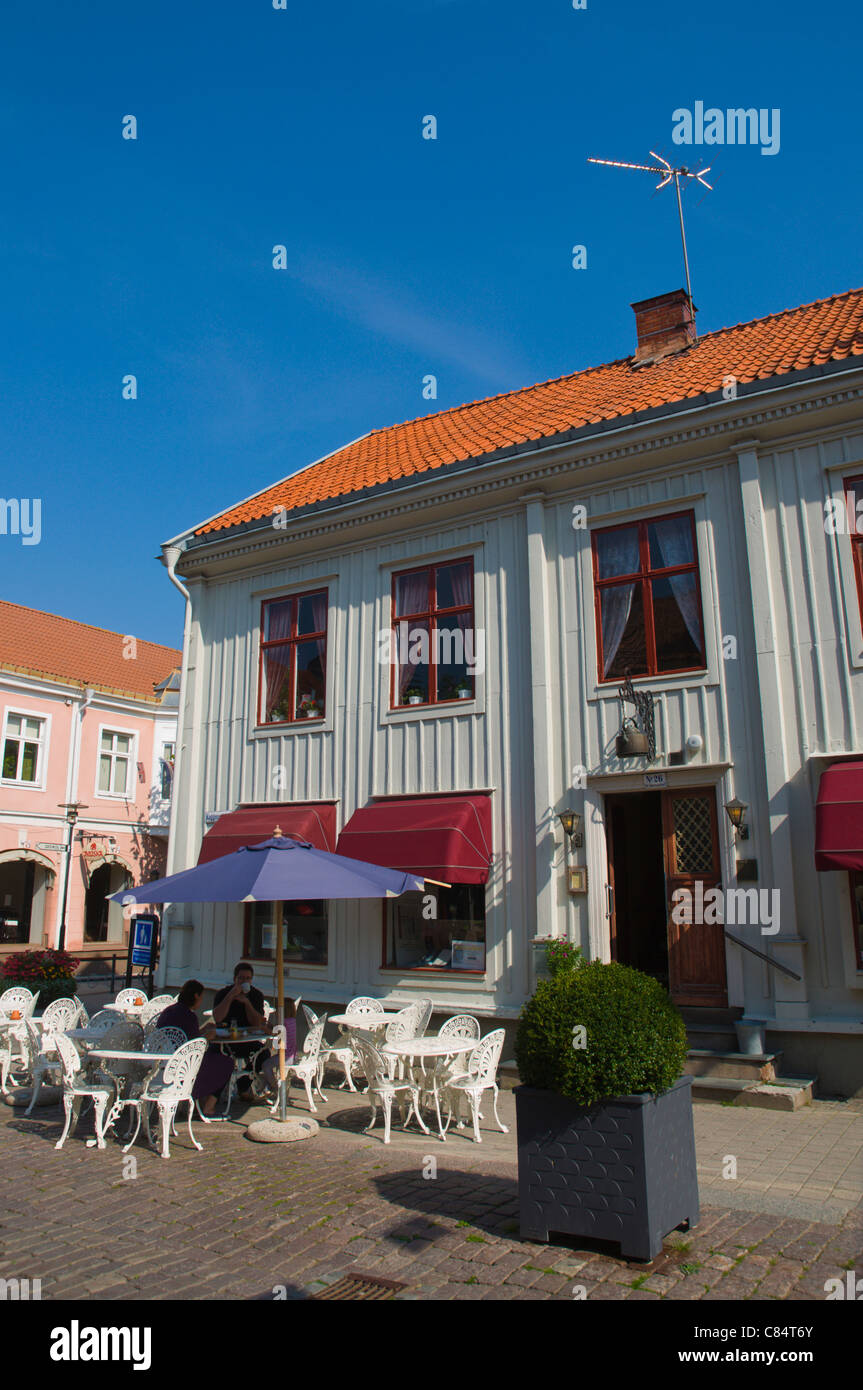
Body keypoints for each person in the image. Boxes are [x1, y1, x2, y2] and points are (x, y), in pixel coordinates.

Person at [156, 980, 234, 1117]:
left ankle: (203, 1101)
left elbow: (184, 1036)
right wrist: (208, 1036)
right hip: (184, 1066)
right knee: (226, 1062)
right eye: (202, 997)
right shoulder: (189, 1015)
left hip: (165, 1061)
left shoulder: (169, 1011)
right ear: (196, 996)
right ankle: (209, 1106)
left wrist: (203, 1030)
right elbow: (194, 1046)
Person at [212, 962, 269, 1097]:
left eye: (248, 978)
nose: (244, 981)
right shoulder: (223, 993)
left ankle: (243, 1085)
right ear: (235, 979)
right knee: (212, 1054)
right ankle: (214, 1093)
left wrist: (247, 1003)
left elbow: (257, 1023)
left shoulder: (256, 995)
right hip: (226, 1041)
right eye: (241, 978)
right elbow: (218, 1018)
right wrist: (231, 996)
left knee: (264, 1054)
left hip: (247, 1040)